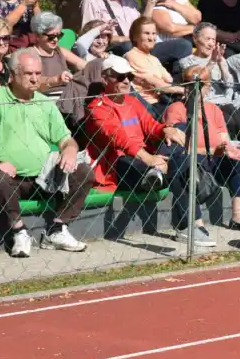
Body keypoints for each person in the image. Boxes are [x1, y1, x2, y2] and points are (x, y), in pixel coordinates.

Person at [0, 49, 92, 257]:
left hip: (45, 178)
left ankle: (57, 229)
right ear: (13, 74)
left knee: (83, 171)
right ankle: (19, 232)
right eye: (28, 74)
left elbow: (65, 139)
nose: (35, 78)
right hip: (10, 179)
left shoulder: (45, 103)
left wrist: (70, 151)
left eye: (37, 73)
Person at [83, 57, 205, 243]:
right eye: (120, 76)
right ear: (105, 78)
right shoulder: (96, 108)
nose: (126, 80)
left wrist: (165, 129)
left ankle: (157, 173)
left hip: (145, 161)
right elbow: (118, 138)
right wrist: (147, 158)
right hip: (116, 165)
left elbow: (150, 126)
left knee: (177, 129)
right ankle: (189, 225)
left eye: (129, 76)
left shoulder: (132, 101)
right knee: (182, 164)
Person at [163, 65, 240, 231]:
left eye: (201, 85)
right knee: (189, 163)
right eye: (190, 85)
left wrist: (229, 149)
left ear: (209, 87)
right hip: (192, 162)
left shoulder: (214, 110)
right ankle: (196, 222)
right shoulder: (176, 109)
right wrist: (214, 150)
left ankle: (238, 216)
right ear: (184, 87)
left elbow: (223, 140)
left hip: (213, 161)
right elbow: (181, 150)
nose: (195, 90)